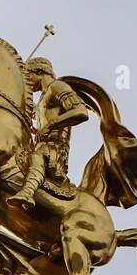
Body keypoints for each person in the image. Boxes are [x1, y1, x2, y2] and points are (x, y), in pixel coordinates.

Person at [9, 57, 88, 210]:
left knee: (36, 158)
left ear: (39, 72)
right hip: (41, 144)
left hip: (54, 148)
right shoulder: (41, 99)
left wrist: (51, 125)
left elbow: (81, 112)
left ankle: (27, 193)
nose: (28, 82)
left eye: (28, 76)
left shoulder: (57, 86)